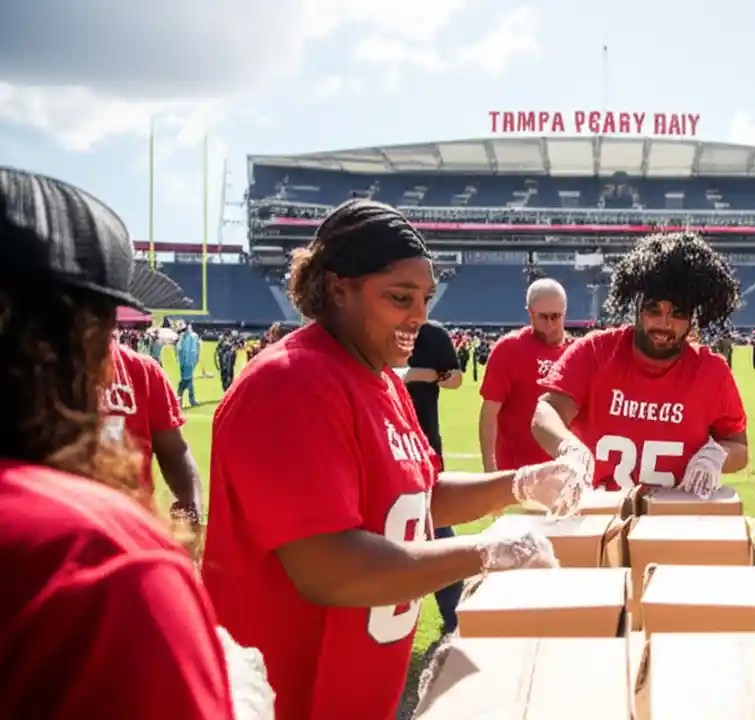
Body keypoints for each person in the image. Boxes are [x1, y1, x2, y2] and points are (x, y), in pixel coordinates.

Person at [201, 199, 580, 720]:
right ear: (338, 288)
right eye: (400, 297)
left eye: (425, 297)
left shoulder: (380, 380)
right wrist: (485, 553)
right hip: (286, 695)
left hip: (360, 690)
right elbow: (329, 567)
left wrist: (520, 483)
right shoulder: (291, 383)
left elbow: (416, 498)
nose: (420, 316)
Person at [0, 167, 234, 718]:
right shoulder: (95, 557)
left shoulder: (144, 375)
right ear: (78, 339)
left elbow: (174, 452)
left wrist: (188, 508)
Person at [531, 231, 749, 497]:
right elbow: (546, 411)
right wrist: (567, 447)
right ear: (636, 307)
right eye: (653, 310)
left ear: (693, 318)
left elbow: (740, 448)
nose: (664, 323)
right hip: (597, 513)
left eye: (678, 313)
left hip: (676, 518)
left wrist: (716, 456)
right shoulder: (595, 352)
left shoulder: (711, 371)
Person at [103, 326, 205, 548]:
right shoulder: (30, 375)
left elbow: (175, 453)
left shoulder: (142, 370)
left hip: (133, 538)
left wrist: (191, 509)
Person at [401, 317, 464, 636]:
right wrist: (413, 375)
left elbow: (454, 378)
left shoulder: (433, 334)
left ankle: (455, 615)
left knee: (436, 523)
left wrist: (423, 375)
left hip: (424, 445)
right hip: (380, 445)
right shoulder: (370, 328)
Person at [480, 279, 571, 474]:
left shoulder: (576, 352)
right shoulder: (509, 349)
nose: (549, 324)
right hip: (516, 473)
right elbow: (489, 413)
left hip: (563, 471)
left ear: (565, 312)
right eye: (542, 317)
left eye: (555, 316)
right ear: (530, 312)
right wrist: (489, 467)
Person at [176, 322, 201, 407]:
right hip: (185, 361)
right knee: (186, 380)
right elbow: (179, 348)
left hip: (189, 360)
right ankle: (182, 398)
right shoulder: (183, 336)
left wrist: (197, 356)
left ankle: (184, 399)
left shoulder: (193, 336)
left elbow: (197, 346)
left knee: (188, 379)